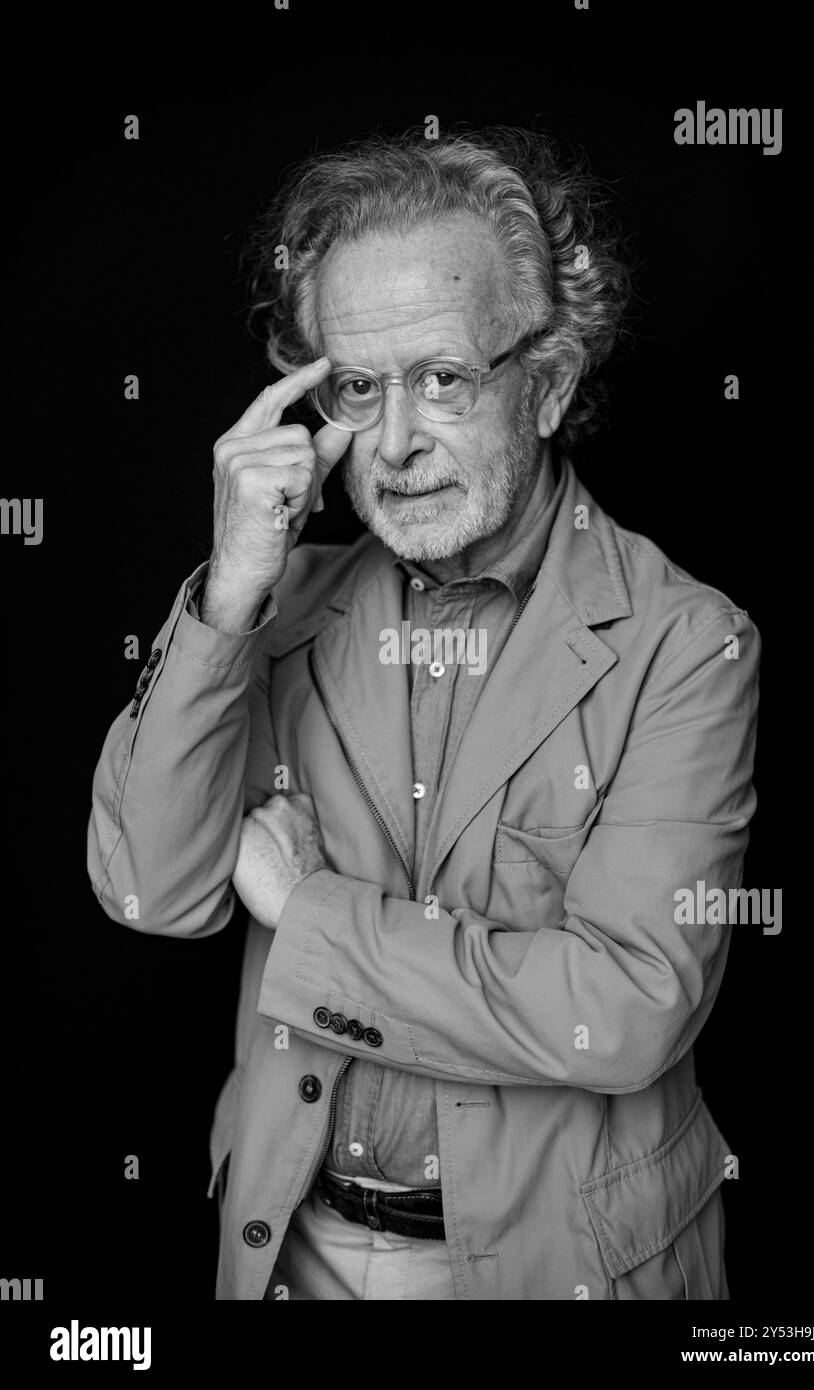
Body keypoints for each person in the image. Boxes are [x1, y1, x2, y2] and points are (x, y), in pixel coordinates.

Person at [87, 127, 760, 1301]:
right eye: (357, 386)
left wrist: (308, 912)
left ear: (545, 384)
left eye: (441, 379)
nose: (392, 445)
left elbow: (623, 1009)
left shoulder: (683, 643)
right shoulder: (272, 612)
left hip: (564, 1269)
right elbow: (150, 887)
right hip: (290, 1248)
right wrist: (231, 588)